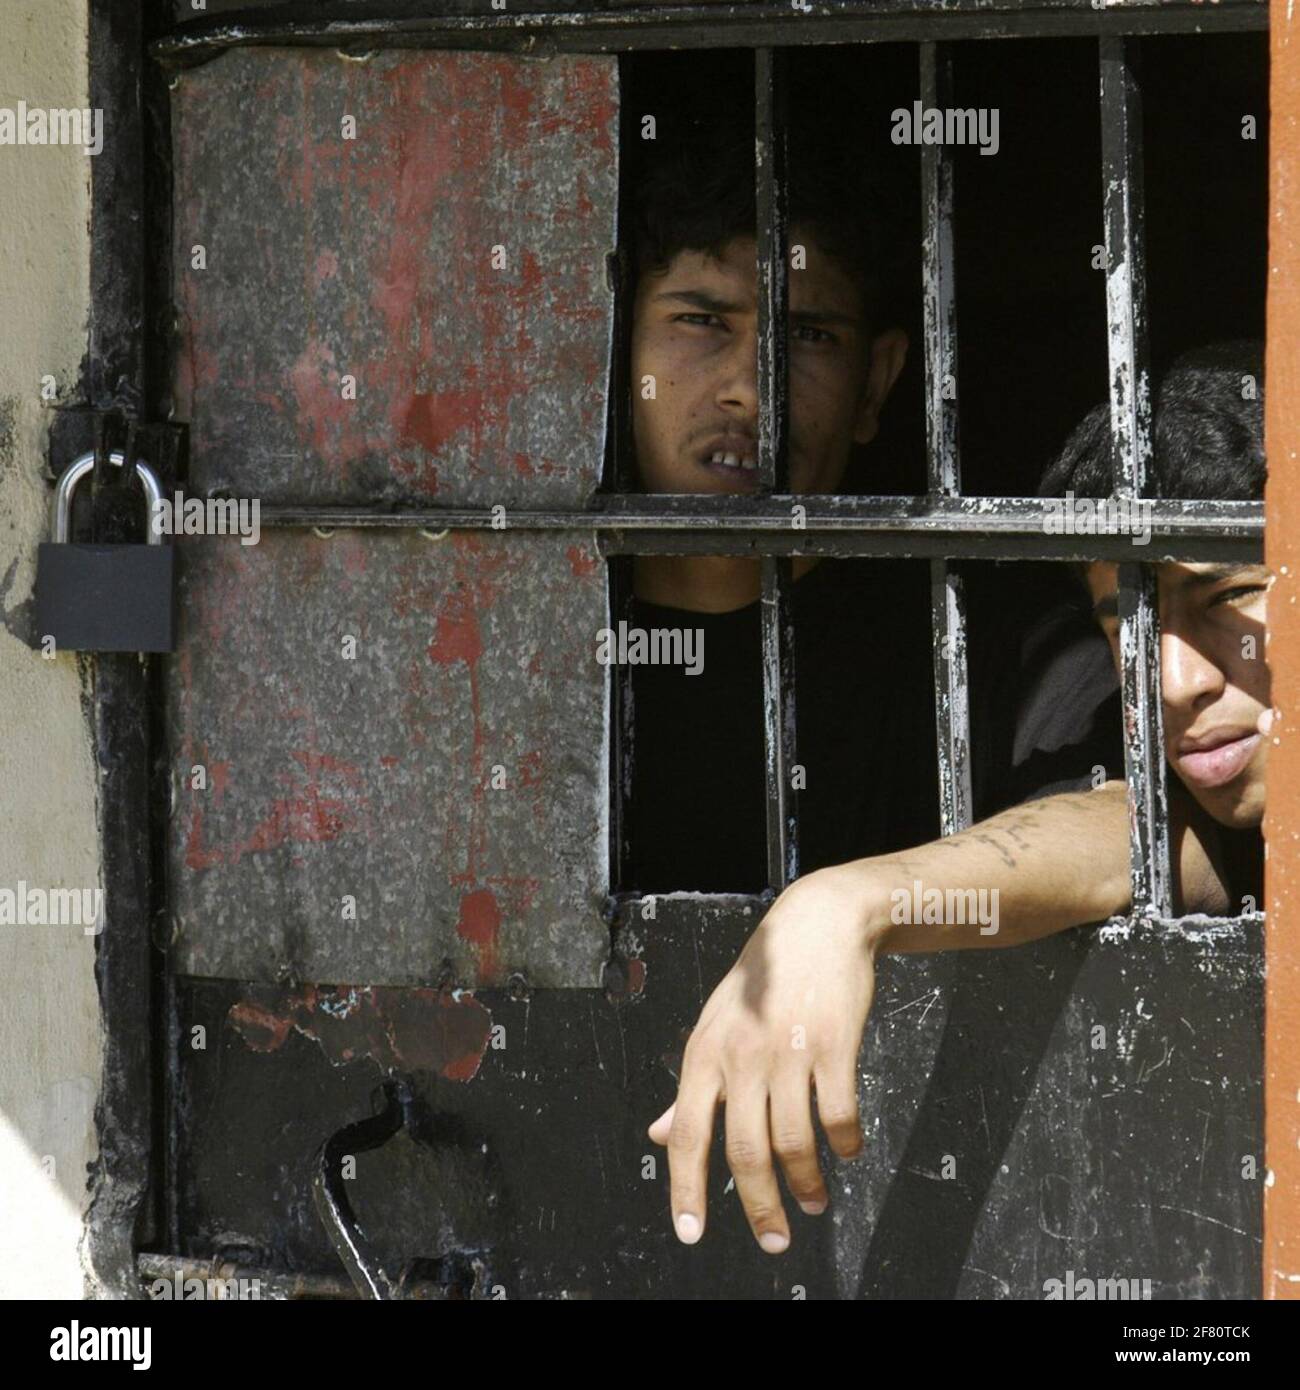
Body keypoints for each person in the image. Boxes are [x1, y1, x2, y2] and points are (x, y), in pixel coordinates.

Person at [646, 341, 1269, 1255]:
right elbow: (1133, 828)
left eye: (1232, 592)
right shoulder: (1202, 805)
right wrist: (839, 903)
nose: (1169, 680)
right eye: (1125, 628)